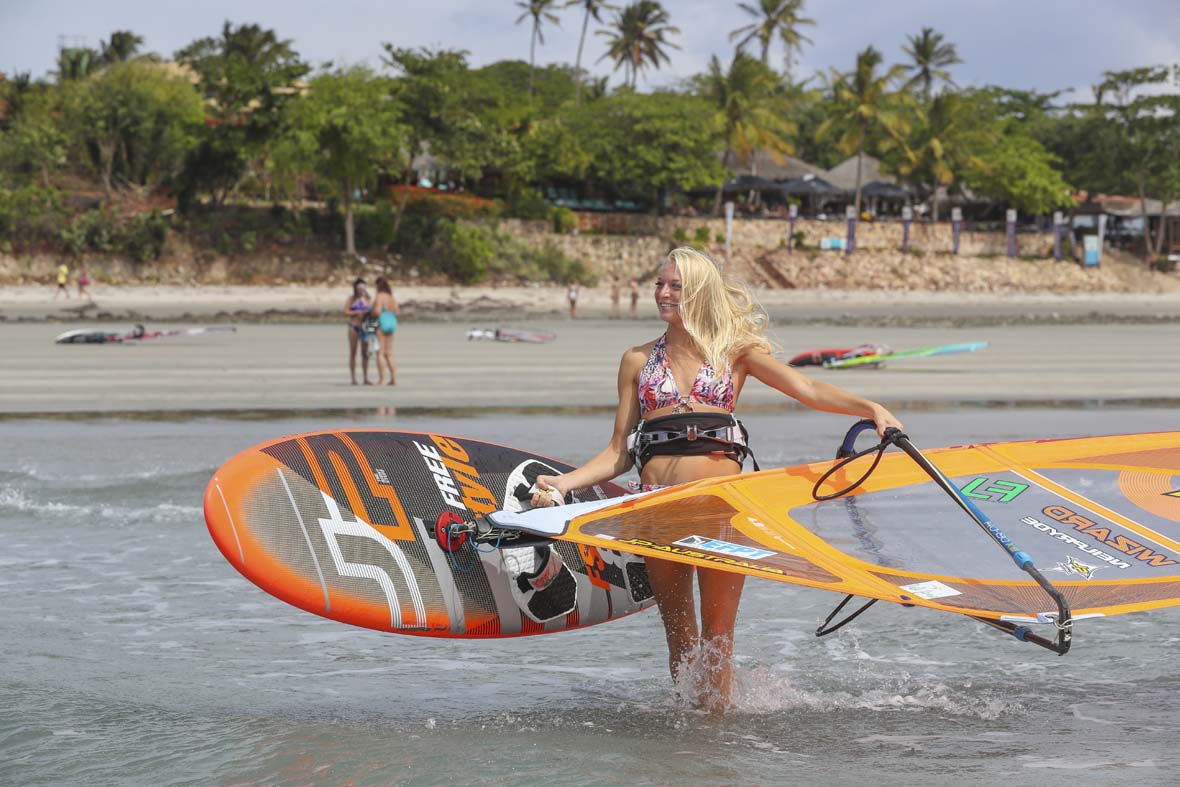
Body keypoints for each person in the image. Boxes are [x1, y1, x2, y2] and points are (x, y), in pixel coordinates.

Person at [531, 247, 902, 713]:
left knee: (717, 636)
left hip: (720, 508)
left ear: (699, 292)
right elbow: (618, 452)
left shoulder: (736, 352)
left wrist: (872, 410)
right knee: (680, 636)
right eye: (660, 284)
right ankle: (691, 730)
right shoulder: (636, 360)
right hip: (656, 507)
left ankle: (715, 735)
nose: (663, 293)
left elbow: (807, 388)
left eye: (675, 286)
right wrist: (564, 484)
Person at [372, 277, 400, 386]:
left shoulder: (380, 296)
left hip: (381, 325)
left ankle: (382, 379)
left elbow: (377, 311)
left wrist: (372, 312)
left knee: (380, 353)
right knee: (389, 353)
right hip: (391, 325)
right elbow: (397, 312)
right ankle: (394, 379)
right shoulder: (391, 297)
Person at [344, 278, 373, 385]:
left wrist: (372, 330)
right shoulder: (351, 299)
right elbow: (346, 311)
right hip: (354, 326)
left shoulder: (368, 299)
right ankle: (353, 378)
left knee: (365, 353)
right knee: (353, 353)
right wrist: (357, 312)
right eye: (359, 288)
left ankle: (365, 378)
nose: (361, 290)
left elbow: (372, 314)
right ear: (356, 289)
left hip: (365, 326)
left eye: (363, 288)